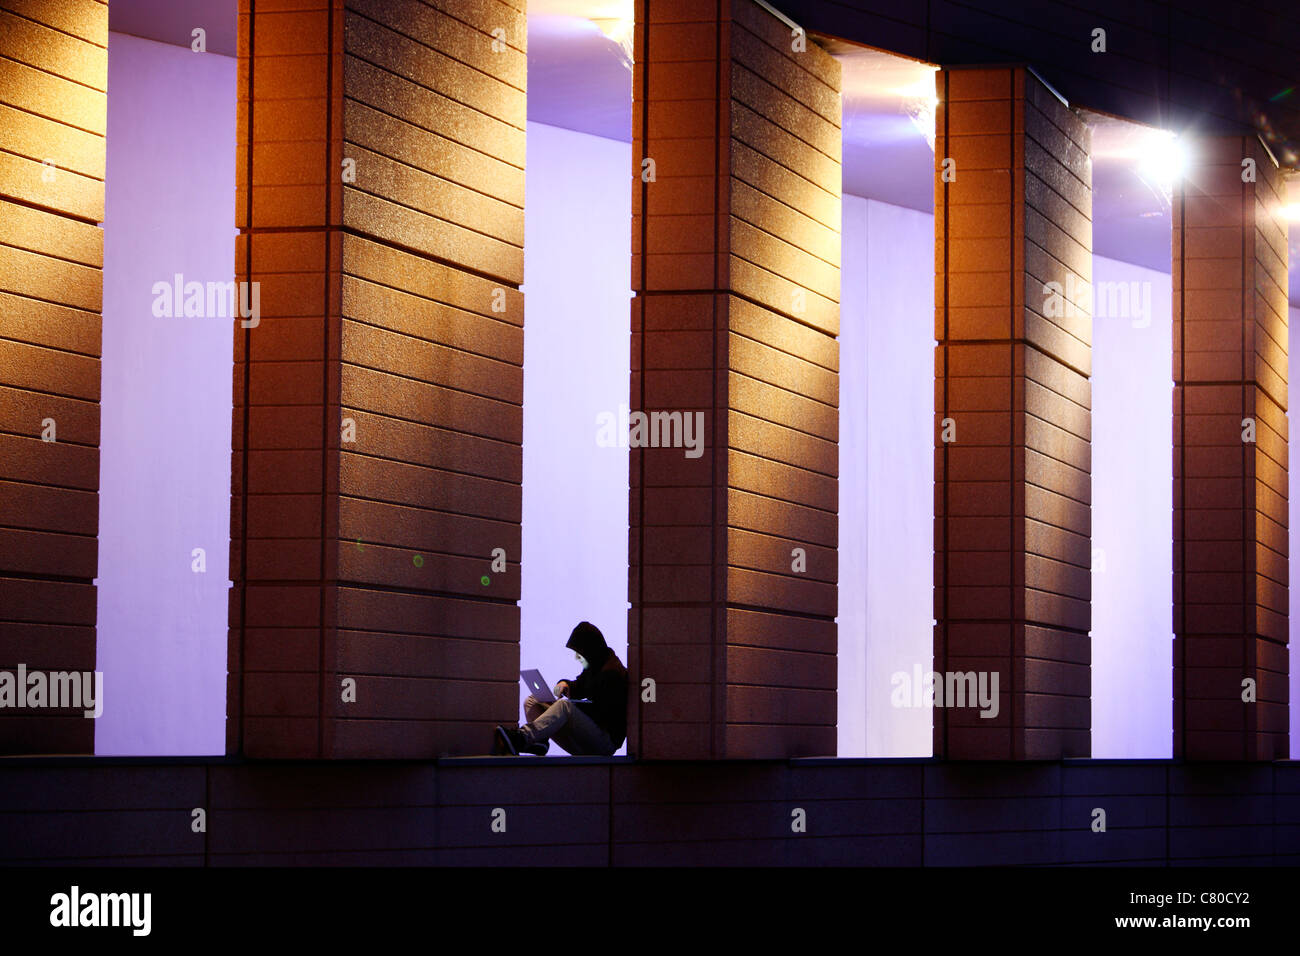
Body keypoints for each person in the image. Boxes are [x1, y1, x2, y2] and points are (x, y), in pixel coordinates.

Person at [497, 621, 627, 757]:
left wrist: (567, 708)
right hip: (592, 733)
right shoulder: (596, 664)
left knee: (564, 706)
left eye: (579, 653)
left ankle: (522, 738)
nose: (576, 657)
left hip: (604, 742)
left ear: (590, 650)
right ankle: (538, 743)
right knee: (533, 701)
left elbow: (601, 715)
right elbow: (581, 686)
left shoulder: (611, 673)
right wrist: (566, 685)